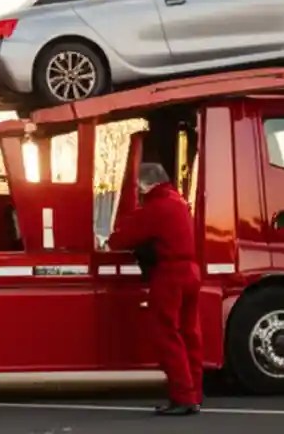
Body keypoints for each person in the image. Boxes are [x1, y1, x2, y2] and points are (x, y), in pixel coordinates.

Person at [107, 162, 203, 416]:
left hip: (169, 275)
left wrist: (113, 237)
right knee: (189, 335)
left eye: (139, 184)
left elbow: (121, 240)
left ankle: (182, 397)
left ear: (148, 183)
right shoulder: (179, 203)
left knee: (167, 335)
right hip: (191, 272)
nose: (138, 190)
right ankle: (195, 393)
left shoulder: (155, 207)